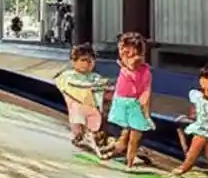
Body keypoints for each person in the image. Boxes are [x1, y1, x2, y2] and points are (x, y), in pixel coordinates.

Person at [104, 32, 155, 169]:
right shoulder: (124, 61)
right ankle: (120, 152)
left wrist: (146, 111)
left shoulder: (138, 64)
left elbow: (135, 67)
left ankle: (130, 161)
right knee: (126, 132)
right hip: (122, 101)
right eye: (121, 48)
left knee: (134, 135)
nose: (123, 51)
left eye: (127, 48)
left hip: (134, 103)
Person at [55, 43, 113, 156]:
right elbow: (75, 85)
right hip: (78, 109)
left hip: (93, 109)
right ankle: (82, 136)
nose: (88, 64)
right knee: (79, 119)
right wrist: (96, 86)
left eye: (91, 60)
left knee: (99, 118)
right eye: (83, 60)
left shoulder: (95, 77)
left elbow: (103, 86)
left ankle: (98, 138)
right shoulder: (68, 75)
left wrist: (105, 86)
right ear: (74, 61)